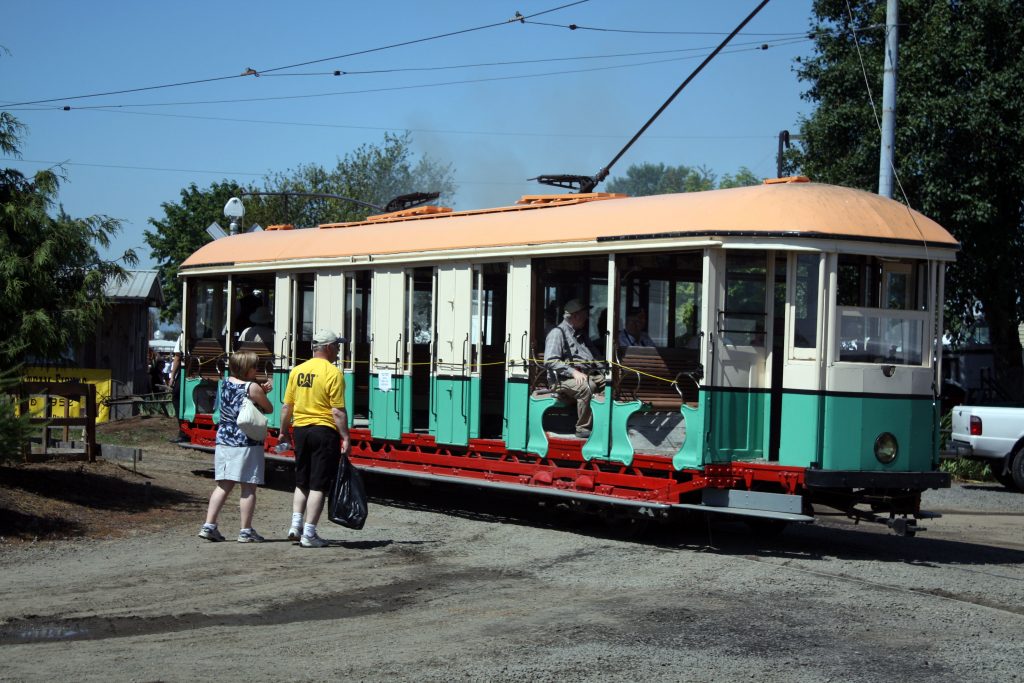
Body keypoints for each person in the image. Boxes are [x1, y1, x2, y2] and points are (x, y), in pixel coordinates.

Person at [278, 329, 350, 548]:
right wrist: (345, 437)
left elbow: (286, 407)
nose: (338, 350)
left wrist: (283, 431)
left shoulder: (297, 371)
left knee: (302, 481)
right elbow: (337, 411)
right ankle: (309, 533)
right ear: (327, 347)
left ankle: (295, 525)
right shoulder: (333, 373)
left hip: (300, 430)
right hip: (323, 431)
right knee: (318, 484)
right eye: (337, 346)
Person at [198, 350, 273, 543]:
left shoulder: (225, 383)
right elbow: (268, 408)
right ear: (247, 369)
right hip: (246, 441)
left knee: (223, 485)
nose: (257, 369)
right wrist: (263, 391)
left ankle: (209, 525)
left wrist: (258, 390)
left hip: (224, 439)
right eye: (255, 366)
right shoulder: (252, 387)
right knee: (248, 486)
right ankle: (245, 531)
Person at [543, 299, 605, 439]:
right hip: (562, 380)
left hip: (586, 375)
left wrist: (606, 372)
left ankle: (603, 423)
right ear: (575, 315)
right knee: (587, 386)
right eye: (584, 314)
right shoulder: (557, 333)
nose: (587, 317)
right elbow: (550, 361)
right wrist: (573, 372)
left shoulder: (582, 334)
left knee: (609, 385)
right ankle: (582, 428)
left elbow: (595, 357)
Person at [168, 332, 189, 443]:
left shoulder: (183, 335)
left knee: (177, 397)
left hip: (186, 370)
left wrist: (172, 377)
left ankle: (184, 431)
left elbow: (177, 357)